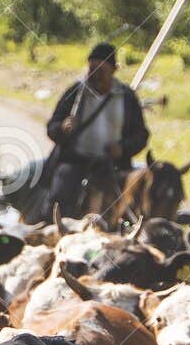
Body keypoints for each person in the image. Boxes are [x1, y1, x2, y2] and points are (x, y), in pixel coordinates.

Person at [43, 42, 150, 218]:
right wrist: (62, 129)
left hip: (113, 166)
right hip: (76, 162)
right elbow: (52, 126)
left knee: (133, 204)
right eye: (92, 70)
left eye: (101, 72)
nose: (95, 76)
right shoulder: (76, 92)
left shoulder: (126, 97)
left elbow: (141, 135)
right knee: (59, 195)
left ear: (114, 70)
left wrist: (123, 149)